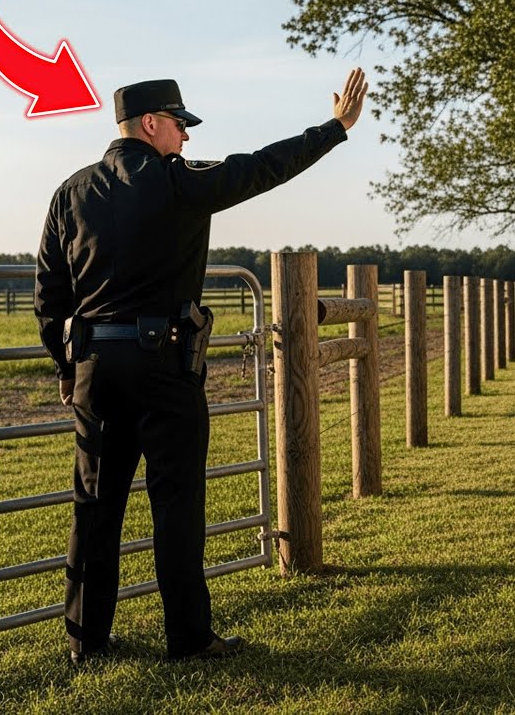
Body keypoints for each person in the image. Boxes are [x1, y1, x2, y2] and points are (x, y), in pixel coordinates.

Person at [35, 68, 369, 664]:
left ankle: (86, 642)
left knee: (95, 504)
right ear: (152, 124)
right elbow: (263, 166)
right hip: (163, 367)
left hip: (95, 369)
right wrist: (335, 128)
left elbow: (49, 296)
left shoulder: (69, 192)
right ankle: (188, 640)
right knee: (177, 503)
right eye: (181, 126)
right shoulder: (177, 182)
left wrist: (66, 365)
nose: (186, 139)